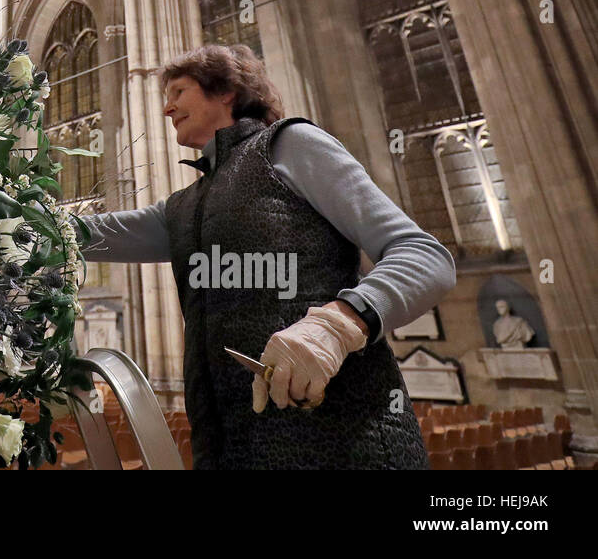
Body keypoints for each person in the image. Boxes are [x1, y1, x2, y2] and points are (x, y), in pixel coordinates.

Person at [84, 44, 456, 469]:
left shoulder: (288, 145)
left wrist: (337, 326)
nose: (168, 109)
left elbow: (425, 256)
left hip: (347, 446)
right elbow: (92, 233)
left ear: (224, 91)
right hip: (232, 452)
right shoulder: (187, 204)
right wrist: (16, 216)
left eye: (178, 92)